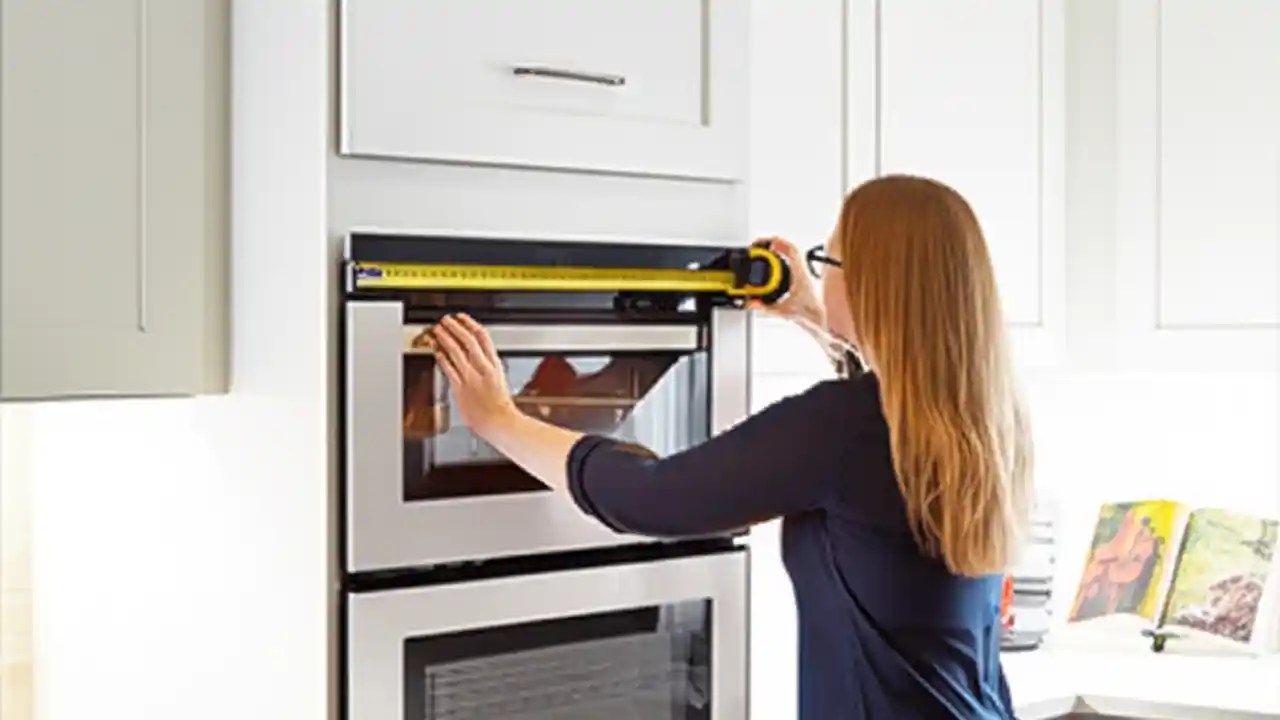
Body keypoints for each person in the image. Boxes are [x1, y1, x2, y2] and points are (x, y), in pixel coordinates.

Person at [430, 174, 1034, 719]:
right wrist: (810, 314)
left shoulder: (844, 428)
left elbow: (654, 498)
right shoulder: (987, 413)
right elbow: (894, 407)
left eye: (830, 261)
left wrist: (499, 419)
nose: (824, 274)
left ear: (873, 283)